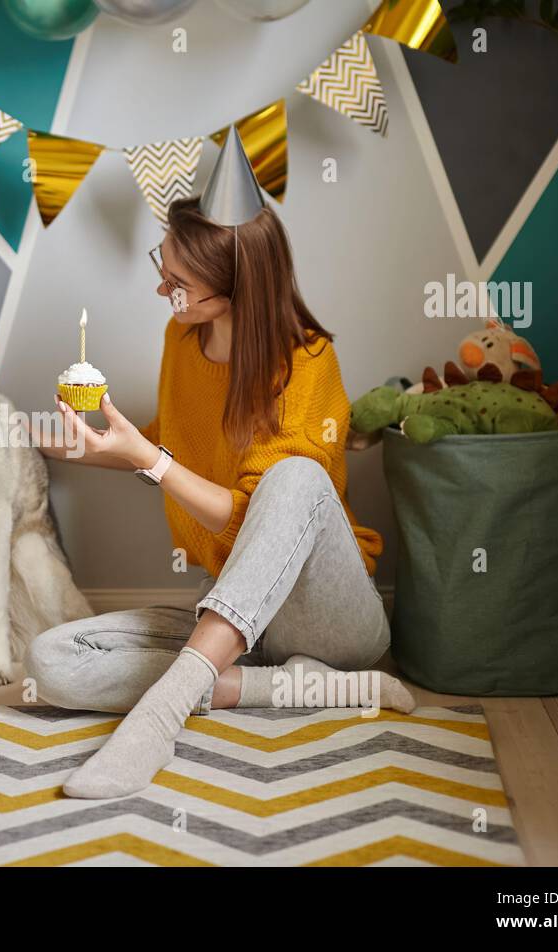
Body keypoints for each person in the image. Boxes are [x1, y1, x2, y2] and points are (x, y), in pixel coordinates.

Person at [25, 149, 416, 799]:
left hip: (327, 621)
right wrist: (89, 449)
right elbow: (172, 446)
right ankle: (287, 687)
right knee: (51, 663)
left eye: (177, 280)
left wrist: (149, 460)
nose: (161, 288)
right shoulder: (182, 342)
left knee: (292, 478)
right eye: (163, 266)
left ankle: (160, 717)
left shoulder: (305, 362)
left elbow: (249, 509)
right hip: (239, 615)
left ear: (238, 286)